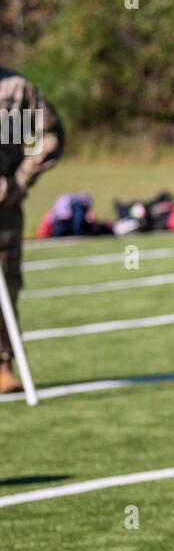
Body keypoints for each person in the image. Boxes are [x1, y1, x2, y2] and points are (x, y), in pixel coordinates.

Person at [0, 66, 65, 393]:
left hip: (3, 209)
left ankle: (2, 362)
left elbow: (47, 137)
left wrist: (19, 181)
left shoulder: (13, 91)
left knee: (4, 286)